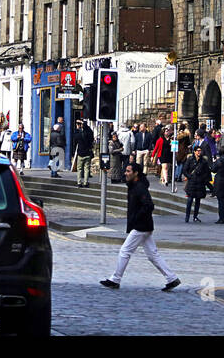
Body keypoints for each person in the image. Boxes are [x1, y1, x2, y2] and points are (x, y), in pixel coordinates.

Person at [99, 162, 181, 292]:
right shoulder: (134, 186)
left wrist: (136, 217)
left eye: (128, 171)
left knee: (125, 251)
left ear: (136, 173)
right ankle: (172, 278)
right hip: (144, 226)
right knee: (153, 255)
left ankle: (115, 279)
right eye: (126, 171)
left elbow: (148, 205)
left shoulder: (139, 187)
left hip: (141, 226)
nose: (125, 173)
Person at [183, 146, 211, 223]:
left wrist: (203, 179)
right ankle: (187, 216)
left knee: (198, 200)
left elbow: (207, 172)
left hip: (200, 182)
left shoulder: (203, 161)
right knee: (190, 200)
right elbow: (185, 170)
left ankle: (195, 216)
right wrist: (189, 177)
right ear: (194, 151)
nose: (199, 152)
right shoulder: (190, 159)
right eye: (198, 151)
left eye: (200, 151)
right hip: (192, 182)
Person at [72, 119, 95, 187]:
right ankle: (85, 182)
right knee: (86, 168)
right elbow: (91, 137)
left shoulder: (78, 134)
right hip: (88, 152)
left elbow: (74, 138)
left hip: (80, 153)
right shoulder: (89, 133)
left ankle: (79, 182)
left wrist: (77, 129)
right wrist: (85, 125)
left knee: (79, 169)